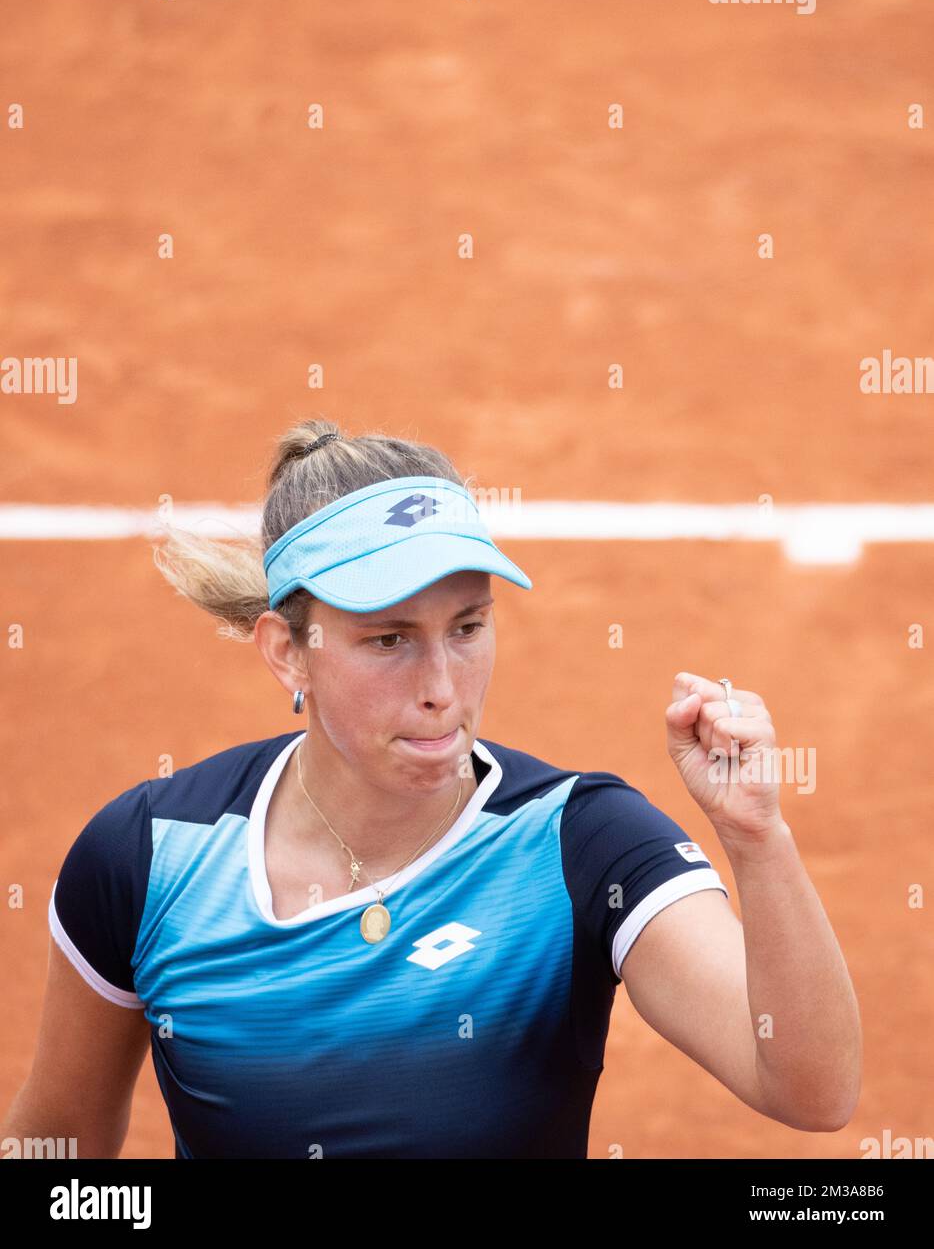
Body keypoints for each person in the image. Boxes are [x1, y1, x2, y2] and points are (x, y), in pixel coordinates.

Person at [2, 420, 861, 1158]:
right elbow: (58, 1149)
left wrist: (757, 839)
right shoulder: (150, 858)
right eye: (390, 640)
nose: (443, 685)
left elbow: (809, 1089)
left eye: (468, 627)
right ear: (286, 650)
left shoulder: (581, 845)